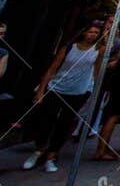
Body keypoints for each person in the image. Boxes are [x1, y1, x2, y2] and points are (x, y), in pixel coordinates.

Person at [23, 22, 105, 172]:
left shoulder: (99, 50)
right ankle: (39, 150)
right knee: (45, 121)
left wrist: (91, 92)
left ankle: (51, 156)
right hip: (57, 88)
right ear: (83, 32)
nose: (93, 35)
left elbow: (96, 72)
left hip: (79, 91)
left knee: (64, 124)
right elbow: (52, 69)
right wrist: (41, 90)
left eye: (96, 33)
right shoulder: (68, 48)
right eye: (90, 31)